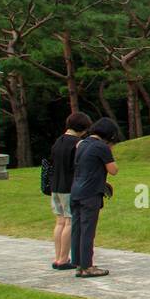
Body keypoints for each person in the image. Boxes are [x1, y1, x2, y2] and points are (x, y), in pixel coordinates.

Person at [70, 118, 120, 278]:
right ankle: (87, 266)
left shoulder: (81, 144)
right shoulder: (101, 147)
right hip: (90, 193)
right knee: (88, 230)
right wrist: (109, 151)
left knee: (77, 229)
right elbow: (113, 170)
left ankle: (78, 264)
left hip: (75, 191)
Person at [49, 111, 92, 270]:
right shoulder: (78, 144)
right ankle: (63, 259)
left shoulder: (58, 141)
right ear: (83, 128)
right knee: (69, 222)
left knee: (59, 221)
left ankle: (58, 257)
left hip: (55, 187)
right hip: (69, 187)